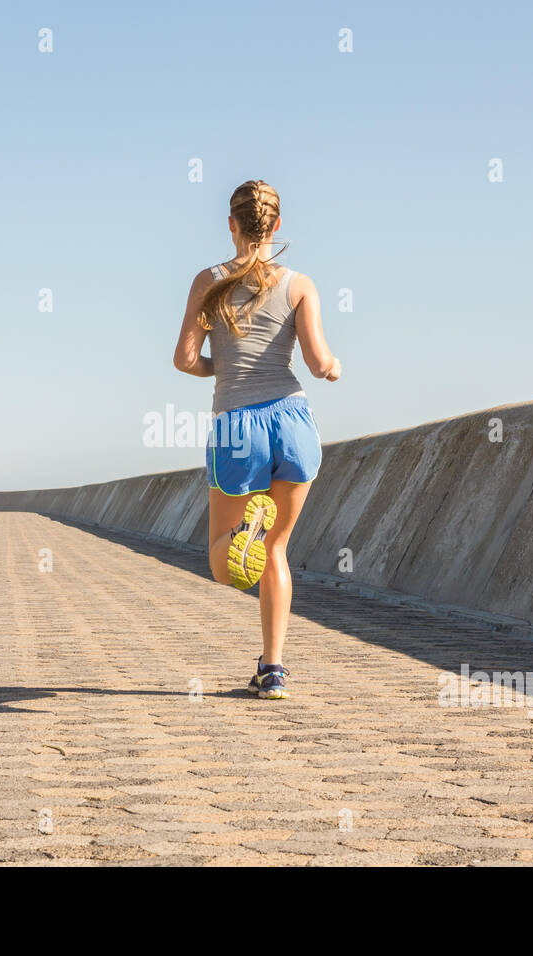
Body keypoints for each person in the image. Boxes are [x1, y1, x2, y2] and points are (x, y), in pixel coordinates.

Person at [172, 180, 341, 699]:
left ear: (231, 224)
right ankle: (274, 669)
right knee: (278, 550)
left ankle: (246, 526)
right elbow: (316, 363)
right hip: (292, 421)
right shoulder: (300, 284)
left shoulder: (209, 281)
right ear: (277, 226)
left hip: (236, 425)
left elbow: (183, 359)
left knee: (225, 567)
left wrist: (221, 368)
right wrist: (333, 367)